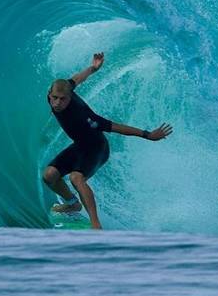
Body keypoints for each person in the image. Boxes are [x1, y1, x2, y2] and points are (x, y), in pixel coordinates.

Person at [43, 52, 172, 229]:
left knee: (76, 177)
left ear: (70, 97)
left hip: (98, 148)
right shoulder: (60, 90)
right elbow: (76, 79)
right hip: (80, 145)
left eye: (62, 99)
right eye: (54, 98)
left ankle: (96, 225)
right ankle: (72, 204)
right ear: (50, 94)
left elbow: (115, 126)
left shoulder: (82, 115)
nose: (57, 103)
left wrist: (148, 135)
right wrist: (93, 68)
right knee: (49, 175)